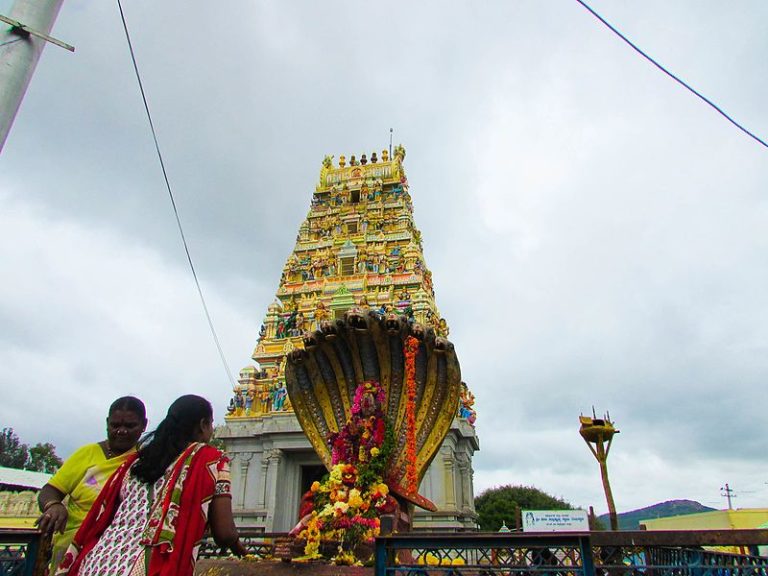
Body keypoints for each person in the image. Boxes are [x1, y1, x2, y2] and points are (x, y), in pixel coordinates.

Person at [56, 394, 245, 576]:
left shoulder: (135, 462)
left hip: (99, 560)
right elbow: (225, 533)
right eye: (211, 424)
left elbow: (104, 515)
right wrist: (243, 551)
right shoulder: (211, 460)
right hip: (151, 565)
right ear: (203, 425)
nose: (212, 431)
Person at [37, 396, 148, 570]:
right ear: (107, 423)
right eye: (115, 425)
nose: (121, 431)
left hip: (118, 552)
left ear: (144, 426)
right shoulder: (86, 454)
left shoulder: (146, 463)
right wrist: (53, 505)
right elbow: (50, 490)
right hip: (71, 547)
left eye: (130, 426)